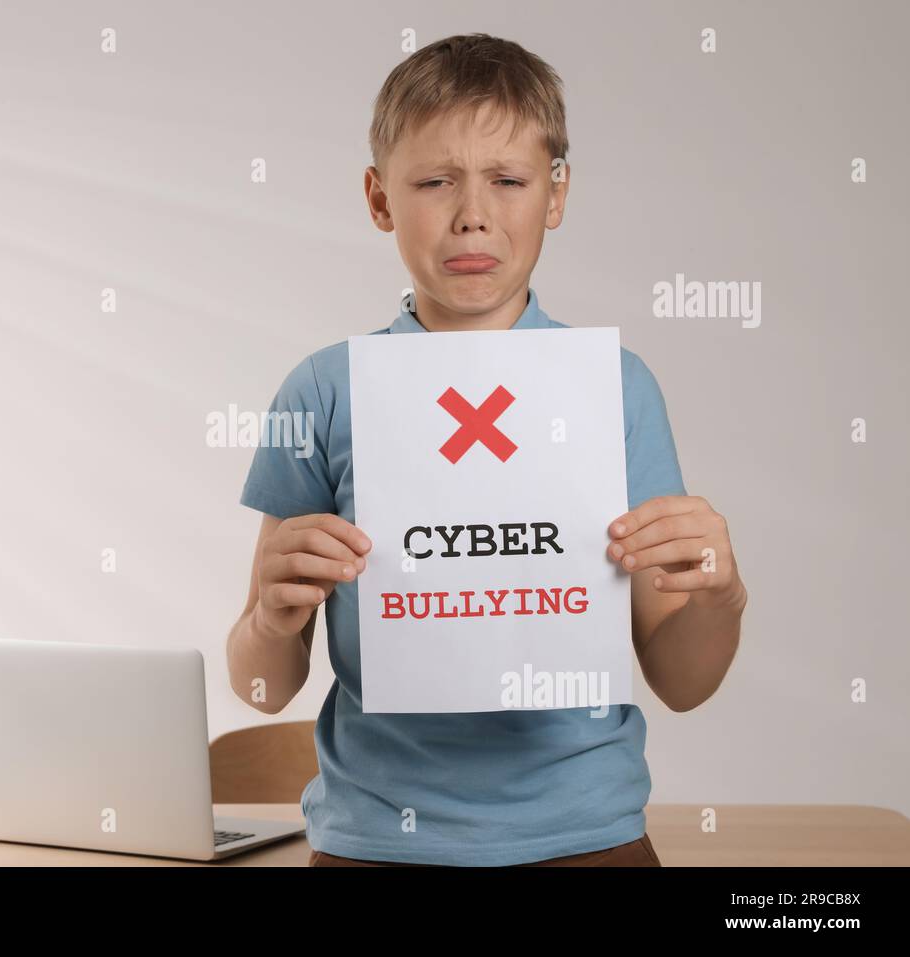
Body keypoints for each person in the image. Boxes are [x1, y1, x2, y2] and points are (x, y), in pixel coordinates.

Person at [226, 33, 748, 867]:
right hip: (374, 841)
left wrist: (722, 596)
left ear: (556, 193)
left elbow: (682, 683)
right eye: (435, 181)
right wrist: (269, 618)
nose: (472, 212)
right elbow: (261, 686)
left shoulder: (615, 388)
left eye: (508, 180)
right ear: (379, 198)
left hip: (589, 838)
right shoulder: (324, 390)